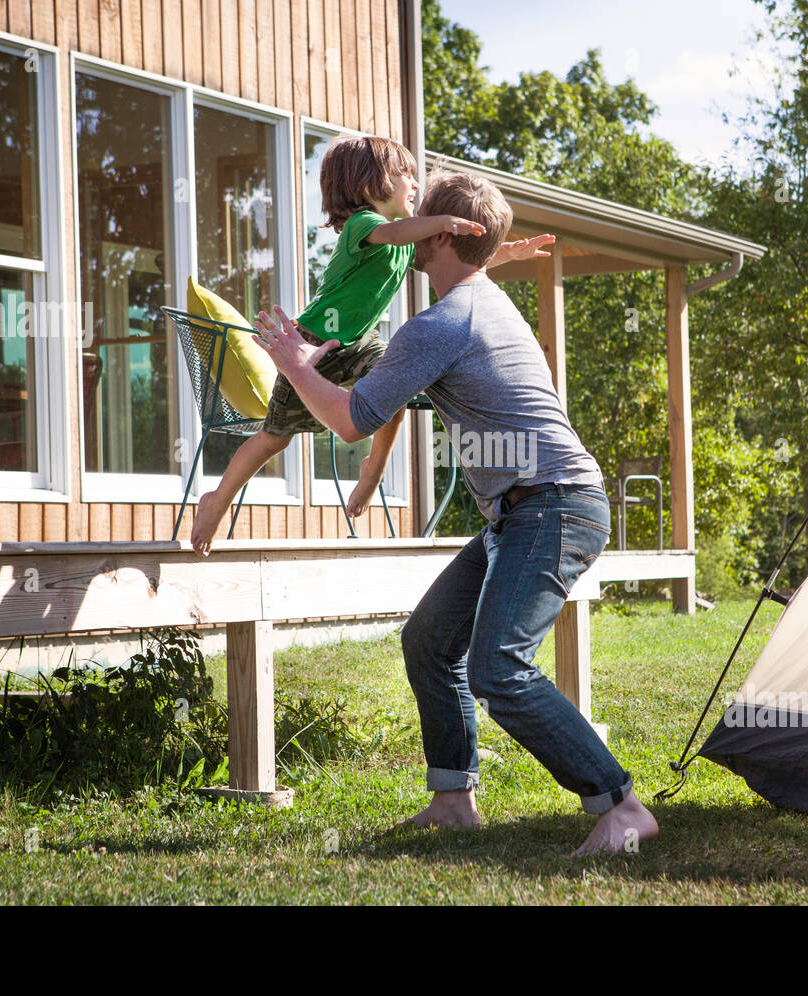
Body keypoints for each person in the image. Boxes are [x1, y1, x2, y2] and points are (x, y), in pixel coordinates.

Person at [251, 169, 658, 856]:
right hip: (526, 511)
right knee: (431, 641)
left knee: (499, 667)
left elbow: (350, 421)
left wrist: (294, 362)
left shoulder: (439, 325)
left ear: (437, 238)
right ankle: (453, 799)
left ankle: (620, 806)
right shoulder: (481, 300)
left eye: (419, 224)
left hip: (551, 507)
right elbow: (467, 253)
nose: (400, 232)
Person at [190, 135, 552, 555]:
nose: (414, 186)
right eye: (405, 176)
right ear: (369, 185)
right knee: (275, 437)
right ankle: (217, 499)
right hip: (314, 344)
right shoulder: (365, 225)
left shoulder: (409, 237)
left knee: (394, 392)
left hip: (359, 340)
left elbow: (449, 251)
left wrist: (506, 252)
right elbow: (399, 232)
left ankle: (374, 466)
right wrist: (441, 221)